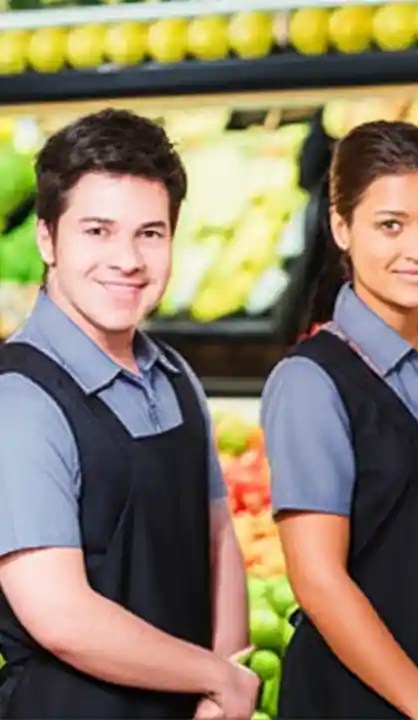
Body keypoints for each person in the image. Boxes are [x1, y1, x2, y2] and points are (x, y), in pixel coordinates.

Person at [0, 109, 259, 717]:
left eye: (150, 232)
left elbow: (219, 540)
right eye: (97, 231)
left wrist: (225, 686)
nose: (127, 259)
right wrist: (217, 677)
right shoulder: (20, 399)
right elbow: (59, 614)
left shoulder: (173, 375)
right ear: (47, 238)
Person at [264, 120, 418, 720]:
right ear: (341, 228)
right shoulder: (310, 382)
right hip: (362, 703)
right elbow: (320, 582)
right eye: (390, 226)